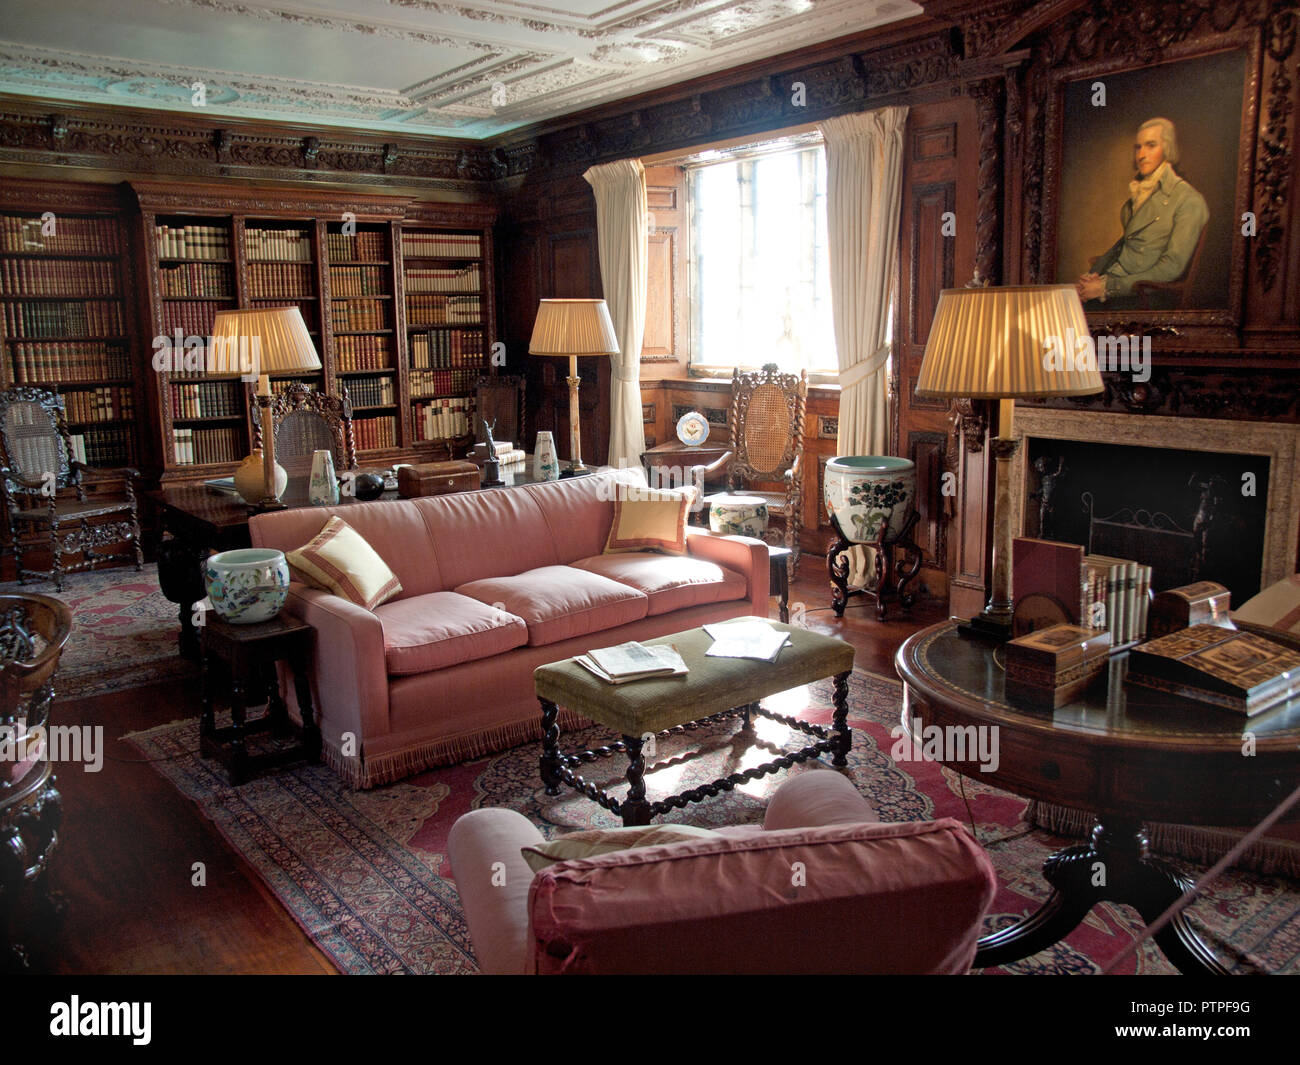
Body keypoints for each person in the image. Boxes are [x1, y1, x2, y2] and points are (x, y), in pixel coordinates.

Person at [1076, 117, 1209, 309]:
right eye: (1138, 147)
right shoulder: (1137, 196)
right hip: (1117, 289)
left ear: (1167, 149)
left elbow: (1171, 268)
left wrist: (1107, 287)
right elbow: (1122, 247)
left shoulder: (1188, 200)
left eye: (1151, 145)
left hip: (1144, 298)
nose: (1141, 155)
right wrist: (1090, 278)